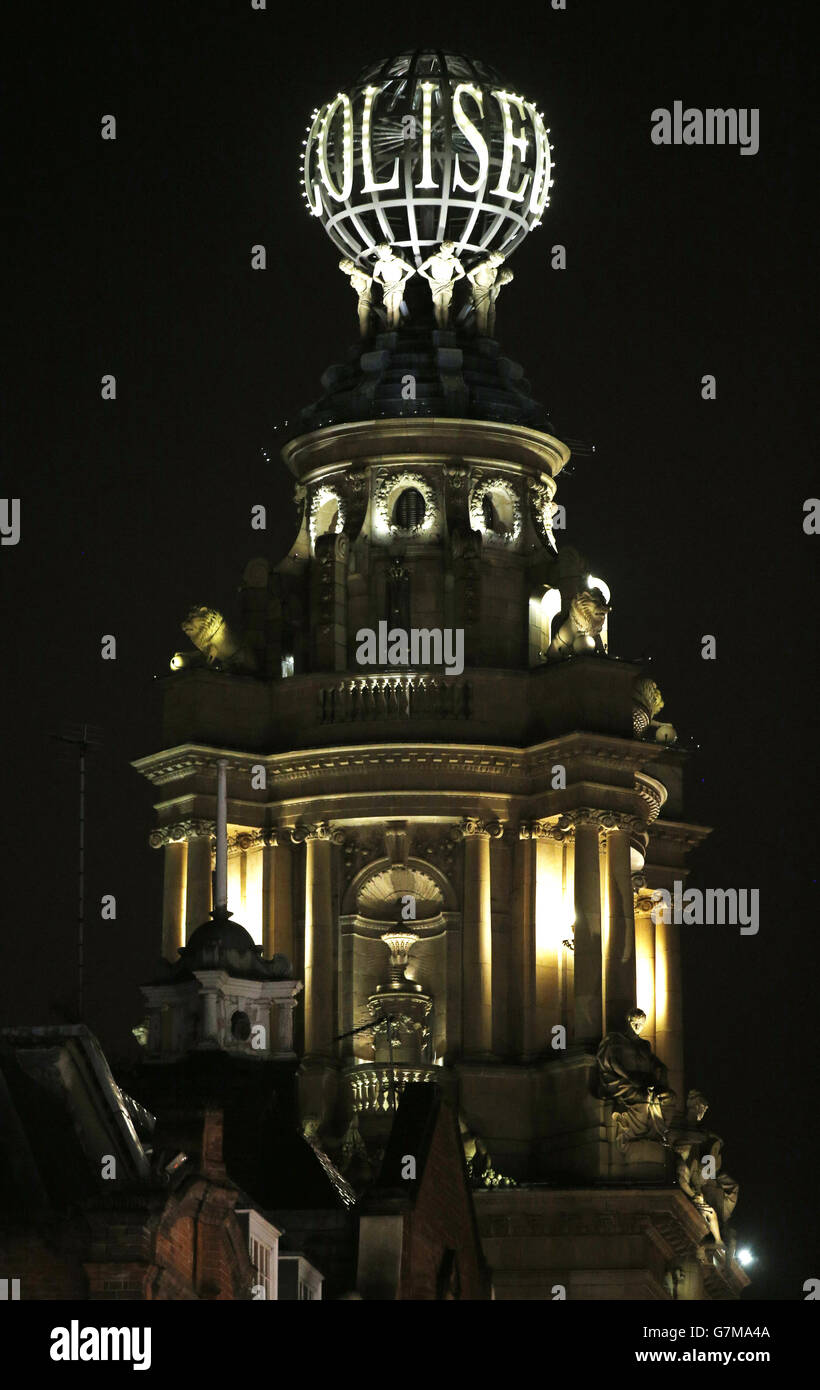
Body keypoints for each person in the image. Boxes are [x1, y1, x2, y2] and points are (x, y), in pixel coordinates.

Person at [596, 1008, 676, 1151]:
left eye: (641, 1024)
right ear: (628, 1022)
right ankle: (636, 1137)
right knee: (643, 1098)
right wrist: (629, 1077)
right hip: (622, 1083)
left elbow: (653, 1062)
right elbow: (612, 1062)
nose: (638, 1027)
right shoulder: (615, 1039)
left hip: (644, 1082)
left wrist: (662, 1070)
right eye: (635, 1023)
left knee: (669, 1097)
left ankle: (660, 1135)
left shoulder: (645, 1045)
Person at [417, 240, 465, 327]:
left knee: (445, 305)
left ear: (451, 251)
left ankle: (444, 326)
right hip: (436, 284)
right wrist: (430, 278)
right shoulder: (434, 258)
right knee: (438, 304)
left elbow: (462, 273)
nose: (447, 253)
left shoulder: (454, 260)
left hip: (447, 284)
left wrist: (453, 279)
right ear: (441, 249)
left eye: (449, 251)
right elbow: (420, 270)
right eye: (445, 250)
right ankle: (440, 325)